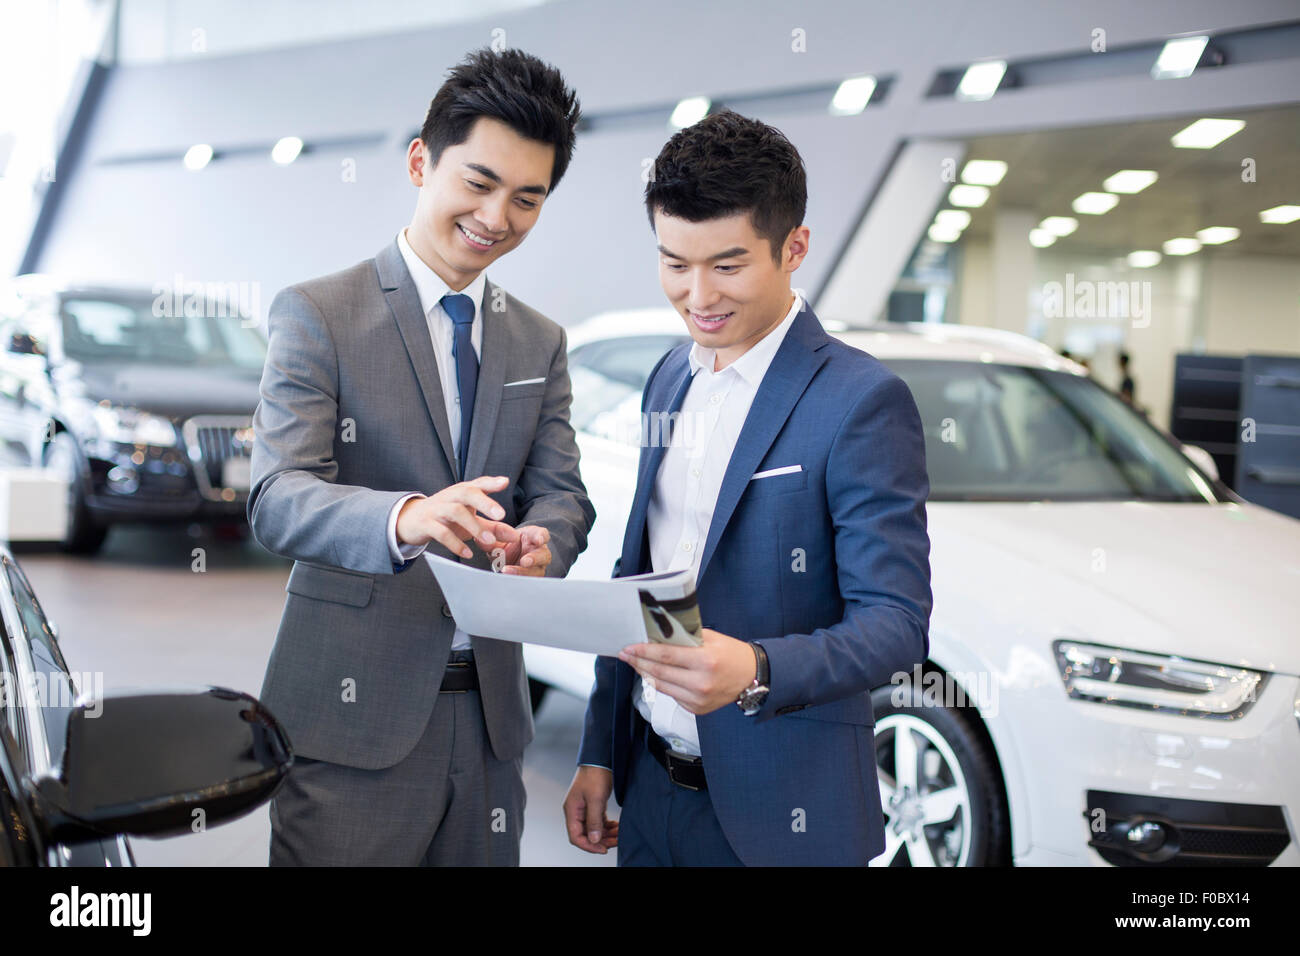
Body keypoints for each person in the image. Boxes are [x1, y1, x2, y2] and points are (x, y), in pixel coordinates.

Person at [248, 47, 594, 866]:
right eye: (478, 183)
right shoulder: (318, 314)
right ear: (420, 162)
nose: (497, 216)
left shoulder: (539, 340)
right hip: (350, 720)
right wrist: (406, 517)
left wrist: (547, 542)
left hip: (491, 729)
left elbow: (563, 494)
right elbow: (276, 495)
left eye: (527, 198)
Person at [562, 110, 932, 866]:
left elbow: (896, 622)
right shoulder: (668, 378)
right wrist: (601, 749)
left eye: (727, 266)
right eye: (674, 263)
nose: (697, 295)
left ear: (795, 247)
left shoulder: (861, 401)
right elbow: (639, 582)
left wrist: (756, 671)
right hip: (651, 789)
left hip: (783, 814)